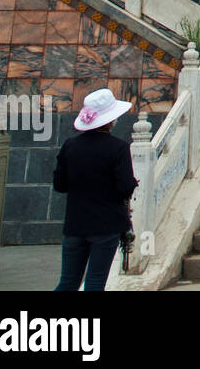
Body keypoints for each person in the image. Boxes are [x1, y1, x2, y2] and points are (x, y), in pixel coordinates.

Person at [53, 89, 137, 291]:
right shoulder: (118, 147)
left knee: (68, 282)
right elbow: (124, 187)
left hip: (75, 224)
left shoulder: (70, 145)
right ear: (110, 120)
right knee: (95, 282)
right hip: (106, 225)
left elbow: (60, 185)